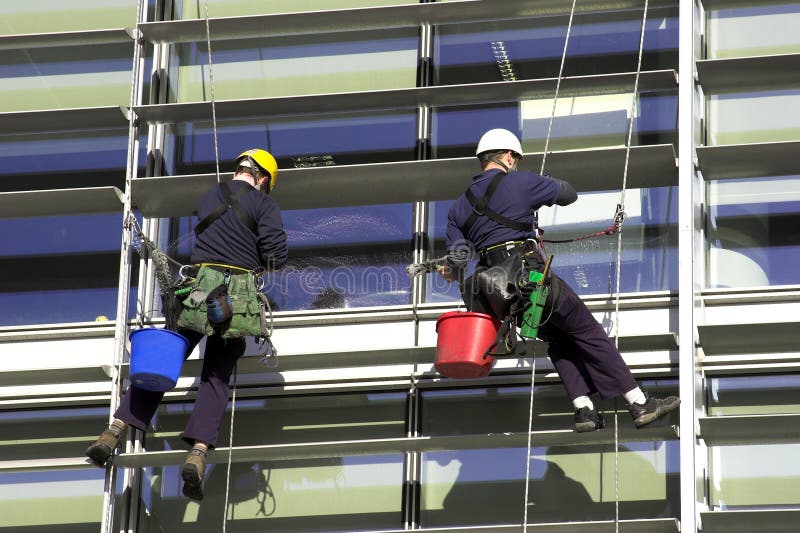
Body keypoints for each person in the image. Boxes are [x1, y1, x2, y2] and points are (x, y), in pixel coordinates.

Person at [437, 128, 679, 432]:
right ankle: (639, 402)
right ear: (510, 157)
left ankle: (584, 410)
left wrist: (448, 268)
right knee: (587, 329)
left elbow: (457, 261)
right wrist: (544, 184)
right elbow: (568, 194)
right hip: (534, 281)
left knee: (559, 339)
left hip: (506, 302)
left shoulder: (458, 207)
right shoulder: (521, 181)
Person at [86, 148, 288, 501]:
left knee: (165, 361)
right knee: (216, 375)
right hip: (233, 299)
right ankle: (197, 451)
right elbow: (275, 256)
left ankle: (114, 429)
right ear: (263, 178)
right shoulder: (264, 204)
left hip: (196, 291)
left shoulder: (209, 195)